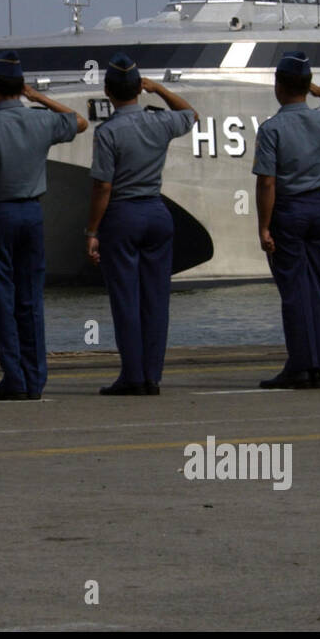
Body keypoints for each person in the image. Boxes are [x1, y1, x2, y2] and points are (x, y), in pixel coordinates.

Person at [0, 51, 86, 400]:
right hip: (32, 215)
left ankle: (14, 378)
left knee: (3, 299)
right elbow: (79, 122)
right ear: (21, 87)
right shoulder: (41, 121)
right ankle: (36, 378)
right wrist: (38, 98)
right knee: (31, 298)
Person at [85, 52, 197, 395]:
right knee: (156, 298)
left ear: (108, 91)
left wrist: (92, 230)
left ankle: (132, 376)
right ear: (138, 88)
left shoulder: (108, 132)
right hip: (157, 213)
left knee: (126, 299)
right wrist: (159, 89)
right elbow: (190, 114)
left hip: (122, 215)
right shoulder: (159, 122)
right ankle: (152, 375)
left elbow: (103, 185)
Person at [252, 51, 320, 389]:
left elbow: (267, 182)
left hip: (288, 210)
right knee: (318, 288)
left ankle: (299, 365)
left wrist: (263, 225)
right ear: (306, 85)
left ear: (278, 86)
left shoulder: (272, 129)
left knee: (293, 291)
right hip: (319, 207)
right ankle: (316, 364)